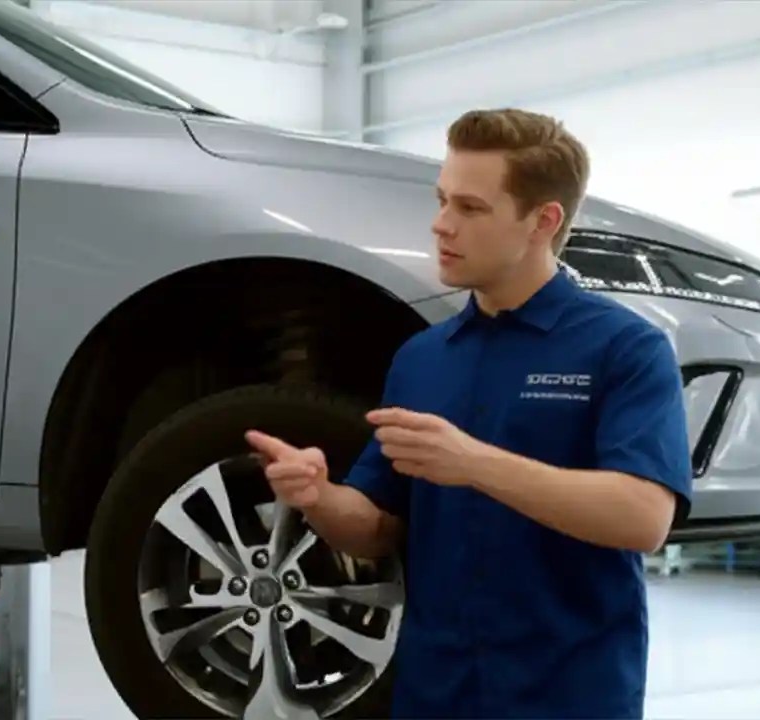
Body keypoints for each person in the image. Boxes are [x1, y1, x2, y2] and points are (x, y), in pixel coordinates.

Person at [246, 108, 692, 719]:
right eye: (442, 201)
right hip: (437, 692)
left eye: (470, 208)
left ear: (543, 220)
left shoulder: (625, 348)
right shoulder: (423, 358)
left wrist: (474, 463)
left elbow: (643, 519)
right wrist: (319, 497)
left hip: (571, 695)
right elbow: (378, 527)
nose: (440, 225)